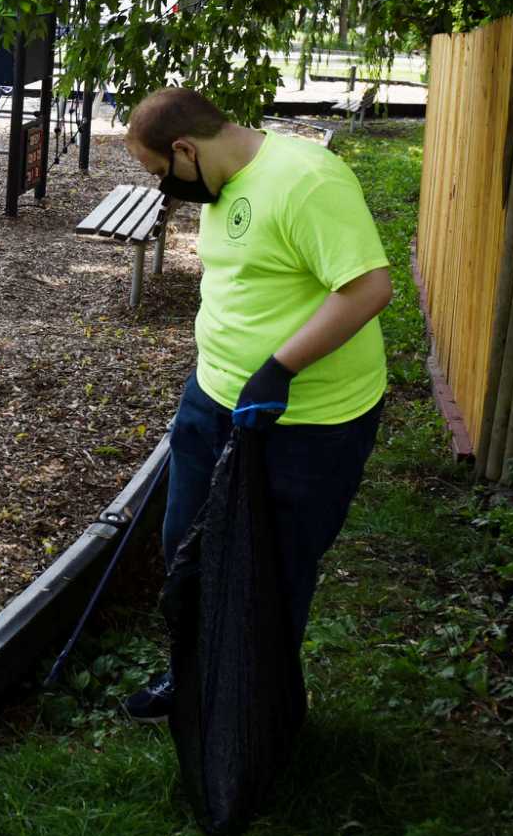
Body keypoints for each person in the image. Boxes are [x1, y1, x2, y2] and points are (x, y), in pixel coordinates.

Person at [116, 88, 392, 724]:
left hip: (306, 424)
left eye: (162, 174)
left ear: (186, 149)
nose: (165, 189)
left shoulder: (305, 182)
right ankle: (191, 676)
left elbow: (369, 288)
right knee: (186, 543)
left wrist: (277, 369)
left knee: (274, 565)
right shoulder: (221, 180)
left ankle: (251, 705)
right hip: (212, 401)